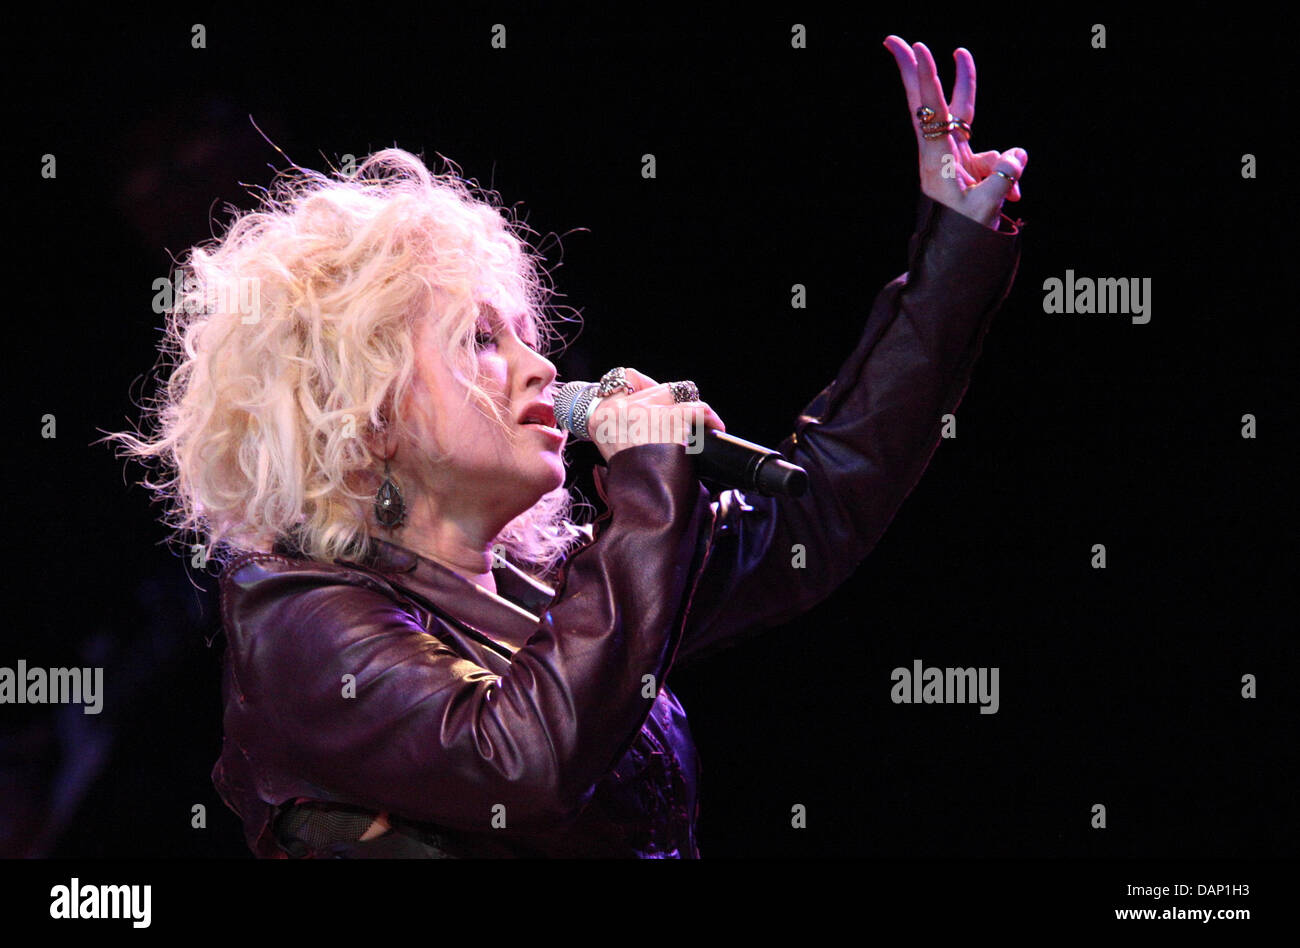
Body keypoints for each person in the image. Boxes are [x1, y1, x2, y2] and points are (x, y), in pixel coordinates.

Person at [105, 37, 1027, 857]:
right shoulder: (294, 618)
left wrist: (955, 241)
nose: (541, 365)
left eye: (521, 333)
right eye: (480, 340)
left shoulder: (557, 591)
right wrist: (652, 491)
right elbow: (520, 763)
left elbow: (817, 510)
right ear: (364, 415)